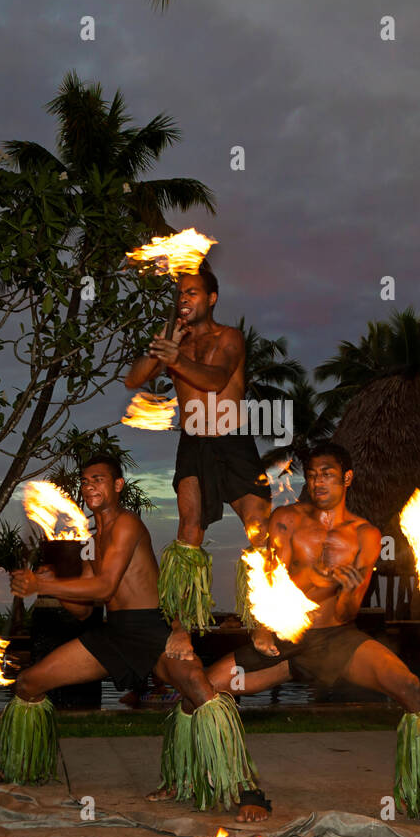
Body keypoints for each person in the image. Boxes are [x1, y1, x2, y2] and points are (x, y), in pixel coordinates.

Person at [205, 442, 420, 828]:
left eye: (327, 474)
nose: (318, 481)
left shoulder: (365, 535)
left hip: (337, 639)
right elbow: (268, 575)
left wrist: (341, 590)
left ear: (347, 478)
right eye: (312, 475)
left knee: (412, 690)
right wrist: (263, 626)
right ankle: (246, 790)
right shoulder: (286, 519)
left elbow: (347, 612)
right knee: (209, 687)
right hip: (288, 639)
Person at [0, 455, 268, 821]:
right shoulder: (94, 540)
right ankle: (20, 769)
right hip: (115, 633)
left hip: (152, 629)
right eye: (84, 480)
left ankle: (246, 789)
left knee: (201, 691)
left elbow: (107, 582)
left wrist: (41, 583)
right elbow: (85, 608)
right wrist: (53, 586)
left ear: (117, 487)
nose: (89, 485)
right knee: (29, 683)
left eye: (98, 479)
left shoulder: (126, 524)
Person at [123, 263, 272, 644]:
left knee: (260, 529)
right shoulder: (177, 341)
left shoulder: (230, 337)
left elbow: (215, 380)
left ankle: (267, 622)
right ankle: (180, 626)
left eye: (192, 293)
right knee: (189, 529)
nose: (184, 299)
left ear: (211, 299)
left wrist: (174, 358)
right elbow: (133, 378)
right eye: (181, 293)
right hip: (193, 442)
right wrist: (161, 347)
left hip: (233, 439)